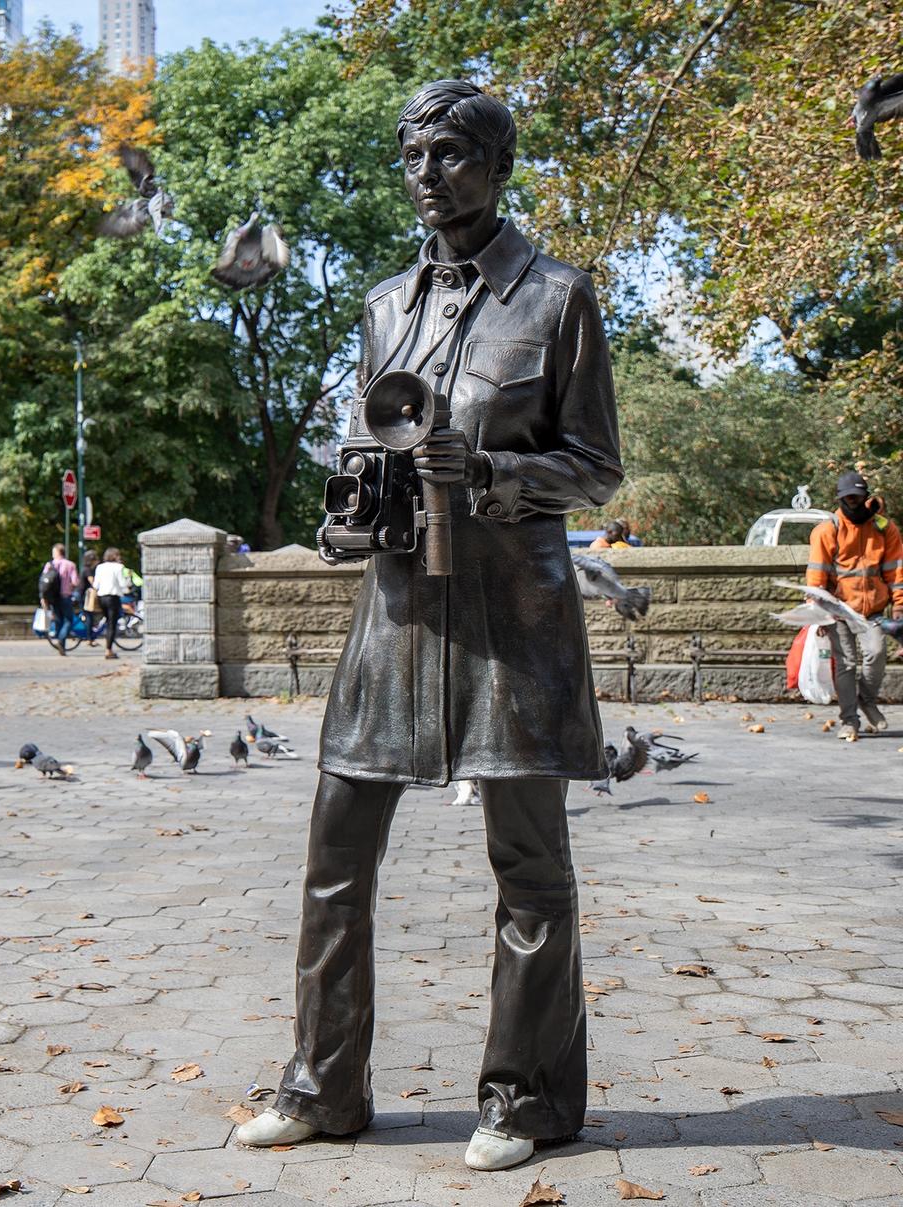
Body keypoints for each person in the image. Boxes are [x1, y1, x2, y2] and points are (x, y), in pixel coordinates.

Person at [235, 81, 622, 1174]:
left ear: (495, 166)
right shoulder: (382, 305)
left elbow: (595, 466)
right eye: (412, 156)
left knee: (529, 868)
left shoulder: (557, 298)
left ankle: (527, 1098)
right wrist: (351, 503)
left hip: (514, 616)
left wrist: (493, 471)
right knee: (334, 853)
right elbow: (368, 439)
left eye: (449, 154)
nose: (425, 174)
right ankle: (321, 1088)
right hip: (397, 612)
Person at [807, 469, 903, 741]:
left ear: (865, 497)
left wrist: (899, 606)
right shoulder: (828, 530)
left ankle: (866, 700)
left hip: (872, 609)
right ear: (839, 499)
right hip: (838, 609)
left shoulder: (884, 528)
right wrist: (817, 611)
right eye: (847, 498)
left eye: (856, 497)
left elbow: (897, 571)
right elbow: (816, 574)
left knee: (876, 654)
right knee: (846, 663)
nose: (852, 502)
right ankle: (849, 720)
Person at [39, 543, 79, 655]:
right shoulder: (70, 565)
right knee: (68, 621)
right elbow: (75, 581)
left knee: (59, 620)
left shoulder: (49, 565)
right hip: (65, 596)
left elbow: (43, 582)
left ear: (56, 553)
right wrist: (70, 587)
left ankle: (61, 645)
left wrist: (44, 597)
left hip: (53, 597)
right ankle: (61, 641)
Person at [92, 547, 131, 660]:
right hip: (112, 597)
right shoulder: (119, 567)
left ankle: (106, 645)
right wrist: (128, 577)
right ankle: (108, 650)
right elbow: (122, 583)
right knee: (111, 624)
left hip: (101, 597)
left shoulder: (100, 567)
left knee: (107, 622)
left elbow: (96, 584)